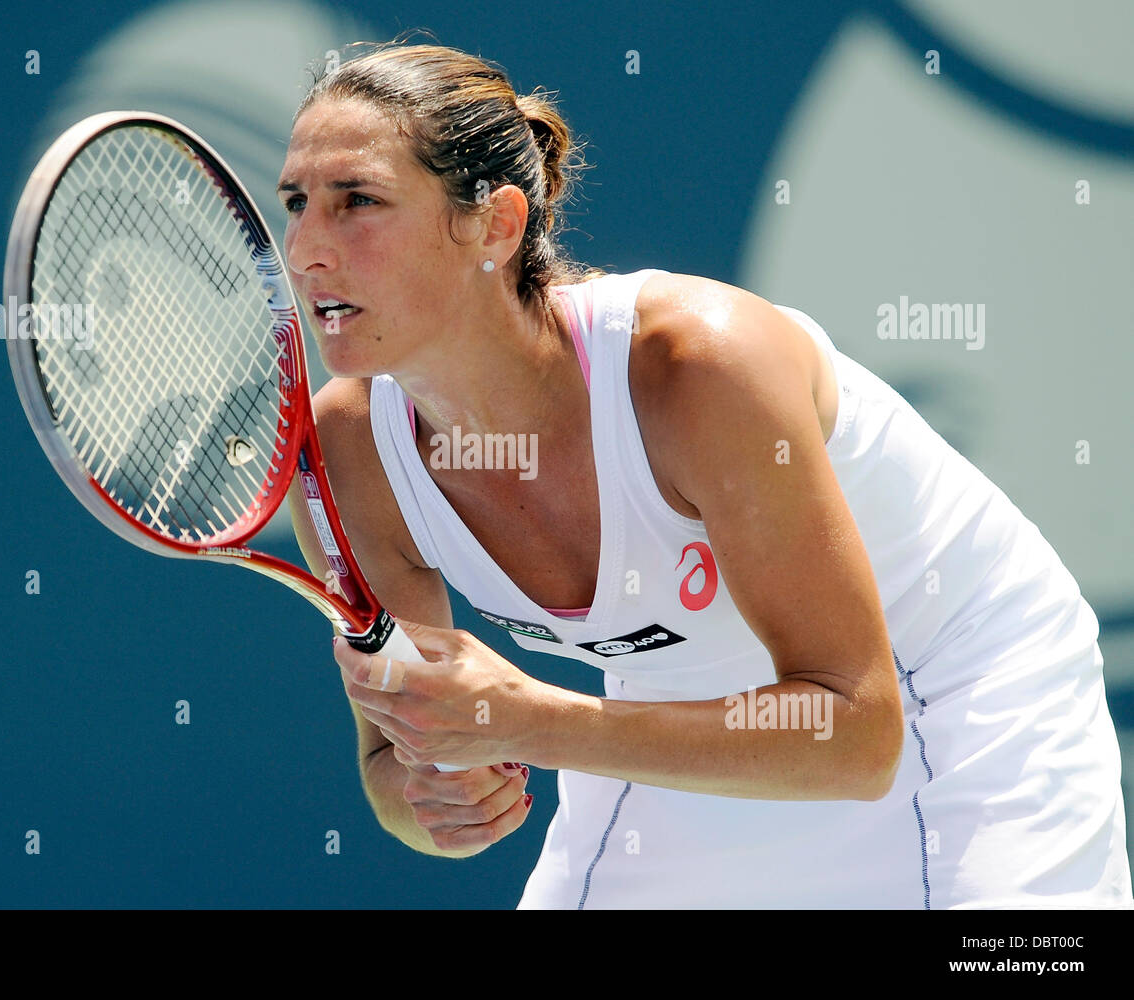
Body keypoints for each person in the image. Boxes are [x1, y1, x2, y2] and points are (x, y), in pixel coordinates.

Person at [280, 40, 1132, 908]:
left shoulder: (699, 366)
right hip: (676, 717)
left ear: (494, 225)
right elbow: (393, 773)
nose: (306, 249)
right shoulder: (348, 457)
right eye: (296, 202)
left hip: (957, 696)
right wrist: (436, 801)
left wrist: (527, 718)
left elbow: (857, 732)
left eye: (359, 202)